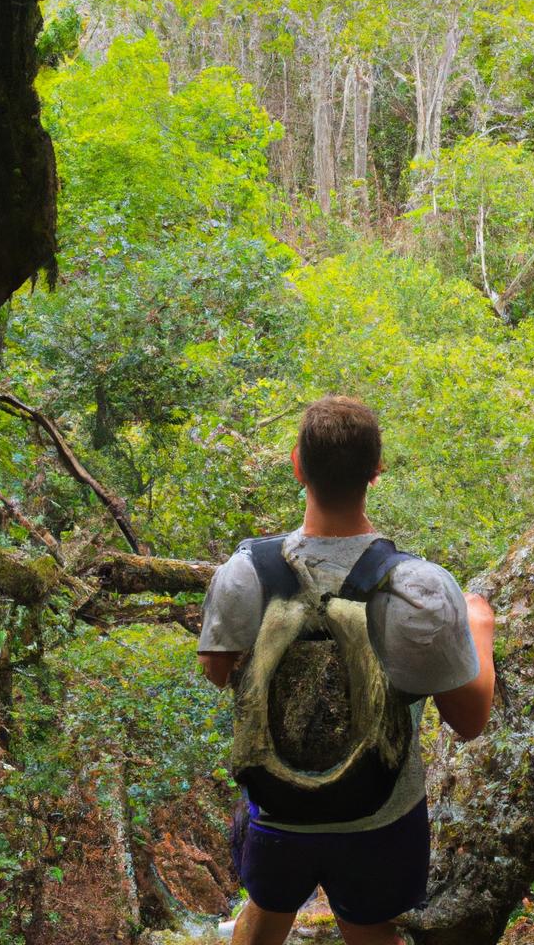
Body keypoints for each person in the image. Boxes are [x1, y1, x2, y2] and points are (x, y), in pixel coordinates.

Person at [197, 396, 495, 945]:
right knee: (370, 929)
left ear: (297, 465)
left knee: (267, 906)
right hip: (380, 815)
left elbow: (217, 672)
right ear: (376, 471)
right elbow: (469, 720)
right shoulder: (421, 587)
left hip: (277, 807)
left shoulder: (244, 573)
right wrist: (479, 626)